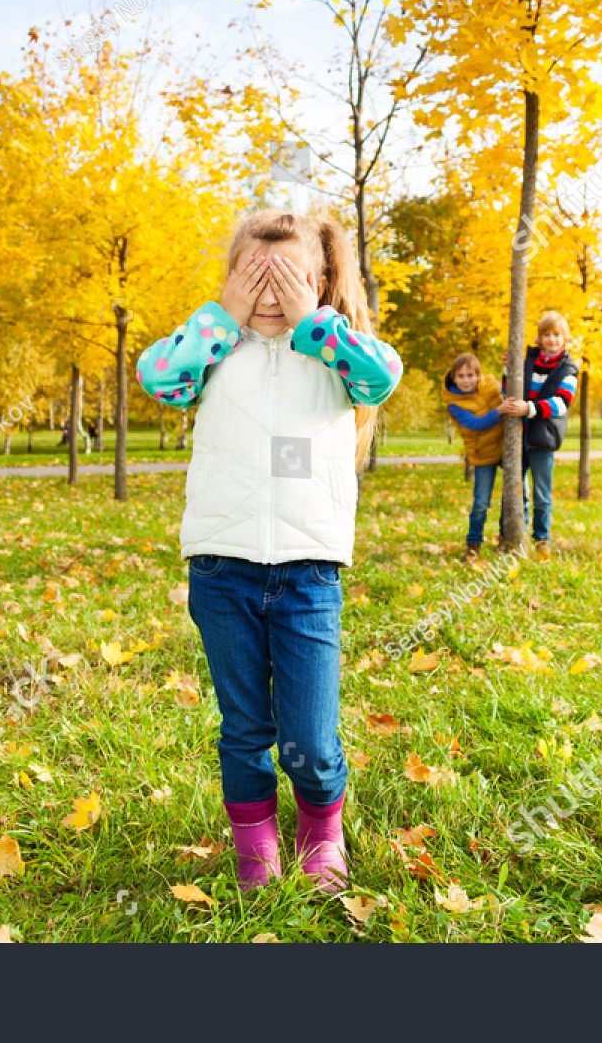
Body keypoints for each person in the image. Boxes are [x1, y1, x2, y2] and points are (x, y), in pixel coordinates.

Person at [136, 209, 402, 892]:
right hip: (222, 569)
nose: (269, 295)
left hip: (308, 573)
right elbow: (158, 378)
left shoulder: (337, 357)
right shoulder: (211, 354)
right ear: (230, 283)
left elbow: (383, 375)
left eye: (285, 278)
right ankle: (256, 847)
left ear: (315, 282)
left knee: (310, 739)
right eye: (253, 277)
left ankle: (322, 829)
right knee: (245, 726)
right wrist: (219, 319)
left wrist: (317, 321)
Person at [442, 353, 525, 561]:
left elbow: (508, 391)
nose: (466, 380)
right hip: (483, 453)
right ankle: (473, 545)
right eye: (461, 376)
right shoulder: (453, 402)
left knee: (513, 497)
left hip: (506, 447)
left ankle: (507, 540)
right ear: (454, 378)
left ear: (479, 375)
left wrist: (508, 368)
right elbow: (476, 424)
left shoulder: (490, 385)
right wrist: (499, 411)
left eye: (471, 374)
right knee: (481, 502)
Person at [514, 311, 578, 557]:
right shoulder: (526, 361)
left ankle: (542, 539)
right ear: (539, 338)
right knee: (518, 491)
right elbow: (510, 387)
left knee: (541, 494)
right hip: (519, 435)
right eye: (546, 335)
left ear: (565, 339)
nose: (551, 340)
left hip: (544, 437)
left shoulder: (568, 370)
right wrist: (508, 369)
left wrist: (528, 408)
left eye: (557, 335)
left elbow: (561, 403)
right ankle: (516, 536)